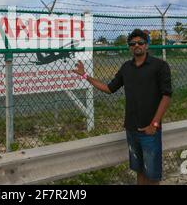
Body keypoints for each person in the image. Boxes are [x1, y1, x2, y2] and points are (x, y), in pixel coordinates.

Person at [72, 29, 172, 185]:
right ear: (129, 47)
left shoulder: (160, 66)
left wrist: (155, 124)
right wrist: (85, 76)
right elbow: (109, 88)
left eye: (140, 42)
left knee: (152, 175)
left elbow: (166, 96)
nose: (136, 45)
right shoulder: (126, 68)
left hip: (150, 130)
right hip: (131, 129)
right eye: (133, 43)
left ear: (146, 45)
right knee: (139, 170)